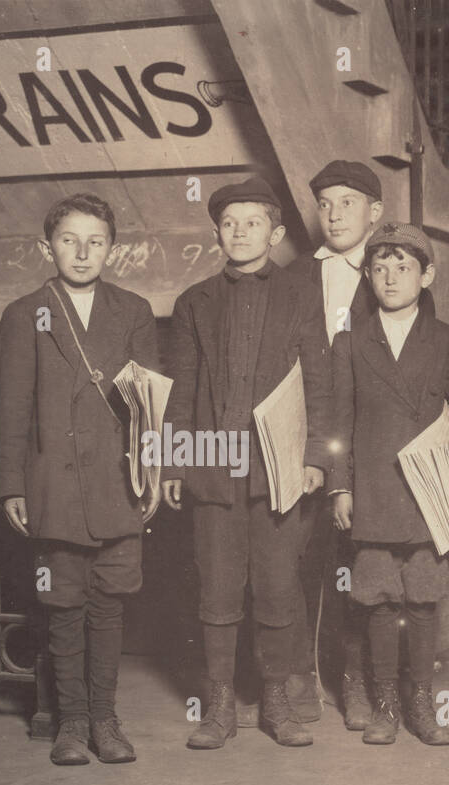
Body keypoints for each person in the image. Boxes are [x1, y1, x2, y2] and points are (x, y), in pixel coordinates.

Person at [162, 176, 331, 748]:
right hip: (214, 467)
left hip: (280, 468)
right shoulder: (193, 302)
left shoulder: (303, 296)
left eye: (252, 222)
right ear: (217, 233)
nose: (240, 232)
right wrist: (174, 464)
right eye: (229, 224)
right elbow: (180, 390)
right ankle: (219, 707)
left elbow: (322, 383)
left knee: (279, 586)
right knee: (217, 589)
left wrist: (315, 459)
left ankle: (277, 703)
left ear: (276, 232)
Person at [0, 193, 159, 765]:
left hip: (118, 484)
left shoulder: (134, 310)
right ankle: (71, 723)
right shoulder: (25, 314)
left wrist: (154, 469)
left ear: (112, 249)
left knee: (109, 607)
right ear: (47, 247)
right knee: (61, 607)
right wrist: (11, 484)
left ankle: (106, 721)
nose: (83, 252)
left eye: (96, 241)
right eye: (69, 240)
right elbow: (11, 407)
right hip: (54, 489)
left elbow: (150, 405)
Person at [330, 223, 449, 745]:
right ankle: (384, 705)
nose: (390, 277)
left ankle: (420, 700)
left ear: (426, 275)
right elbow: (337, 424)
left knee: (423, 599)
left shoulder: (448, 342)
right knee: (378, 600)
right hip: (375, 494)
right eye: (379, 267)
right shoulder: (350, 341)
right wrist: (339, 485)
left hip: (433, 495)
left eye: (403, 267)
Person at [286, 160, 385, 730]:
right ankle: (297, 683)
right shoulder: (294, 276)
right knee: (296, 563)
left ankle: (355, 684)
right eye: (325, 203)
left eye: (348, 202)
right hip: (303, 443)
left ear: (375, 212)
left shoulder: (393, 272)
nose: (335, 213)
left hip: (365, 445)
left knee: (356, 567)